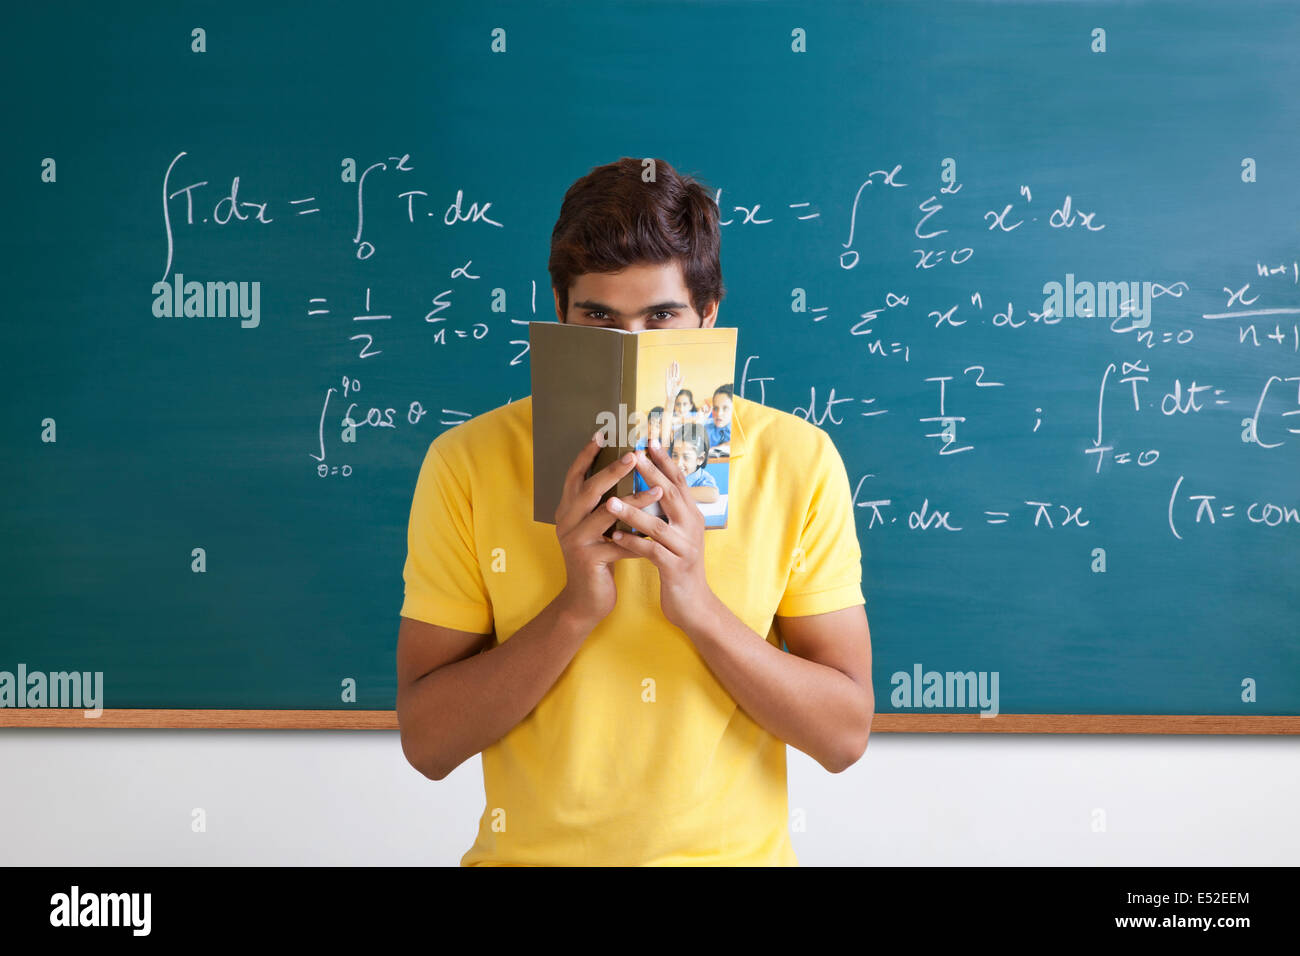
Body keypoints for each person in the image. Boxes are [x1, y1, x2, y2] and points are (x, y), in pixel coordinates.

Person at [396, 157, 873, 866]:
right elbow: (429, 745)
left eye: (661, 317)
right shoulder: (466, 463)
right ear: (560, 313)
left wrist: (699, 608)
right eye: (599, 320)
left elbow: (842, 737)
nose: (632, 349)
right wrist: (573, 610)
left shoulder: (796, 461)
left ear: (707, 316)